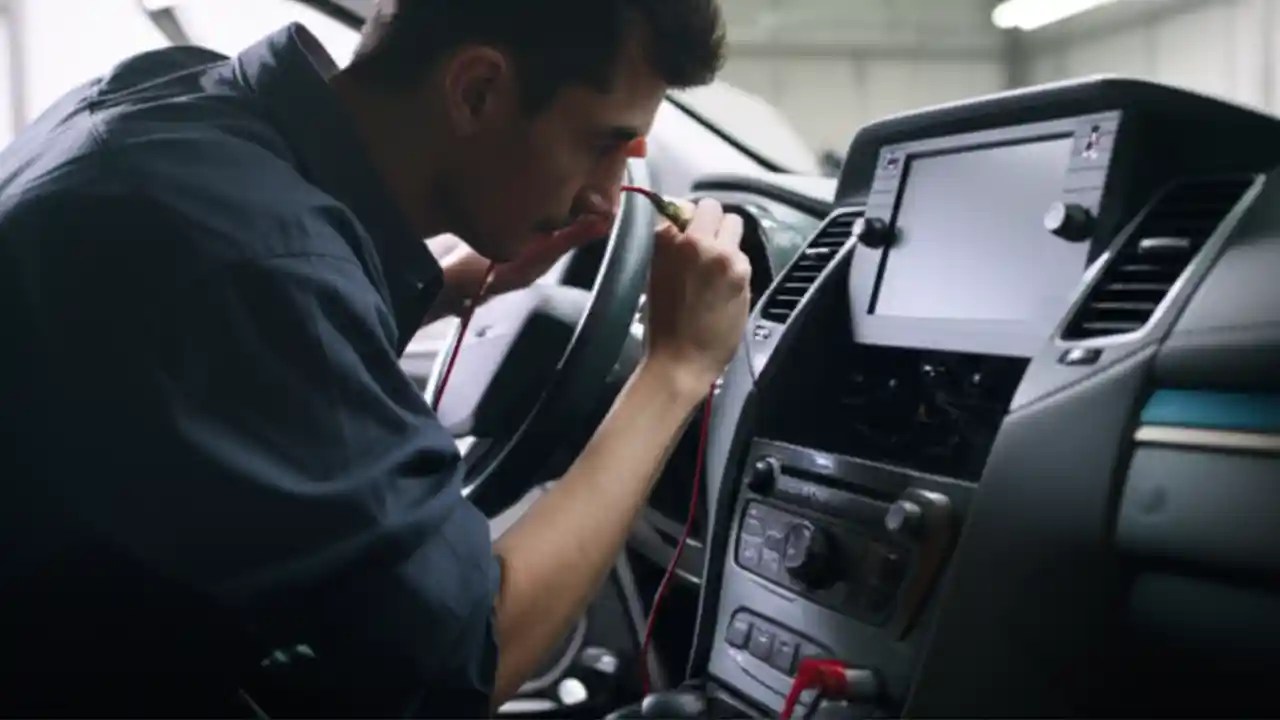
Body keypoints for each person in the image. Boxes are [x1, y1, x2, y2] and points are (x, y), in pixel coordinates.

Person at [0, 0, 749, 716]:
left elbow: (248, 342)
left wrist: (447, 287)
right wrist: (674, 371)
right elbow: (462, 665)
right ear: (478, 91)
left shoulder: (169, 103)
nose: (607, 199)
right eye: (601, 145)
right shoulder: (258, 269)